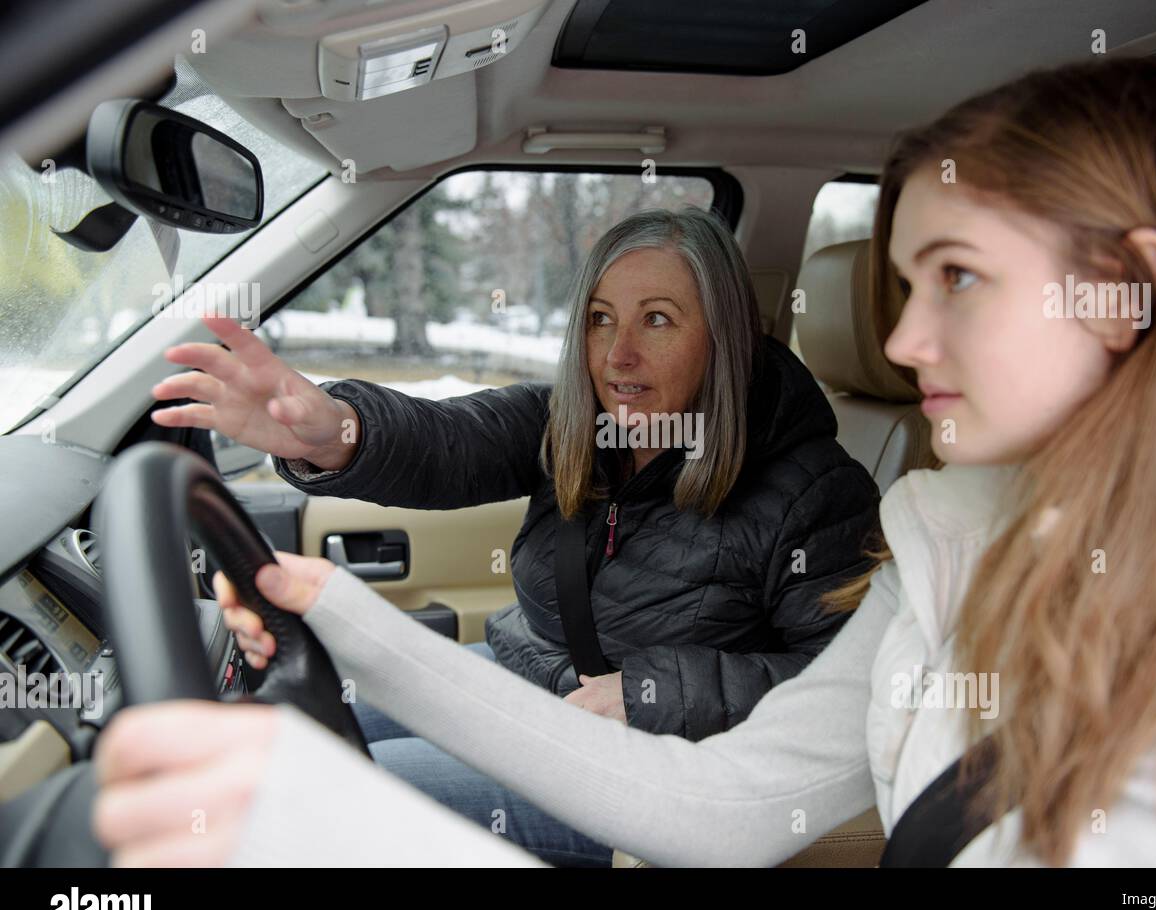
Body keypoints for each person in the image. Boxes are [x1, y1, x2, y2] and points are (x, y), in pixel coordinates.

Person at [95, 57, 1156, 867]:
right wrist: (340, 578)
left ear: (1123, 294)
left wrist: (371, 830)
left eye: (961, 280)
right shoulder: (950, 538)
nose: (897, 339)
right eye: (905, 280)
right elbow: (725, 813)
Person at [143, 207, 881, 865]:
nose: (617, 355)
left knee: (349, 791)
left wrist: (654, 694)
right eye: (599, 318)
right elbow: (451, 441)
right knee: (298, 716)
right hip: (527, 682)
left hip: (642, 772)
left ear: (723, 339)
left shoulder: (817, 490)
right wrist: (335, 432)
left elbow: (846, 693)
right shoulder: (581, 425)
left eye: (657, 319)